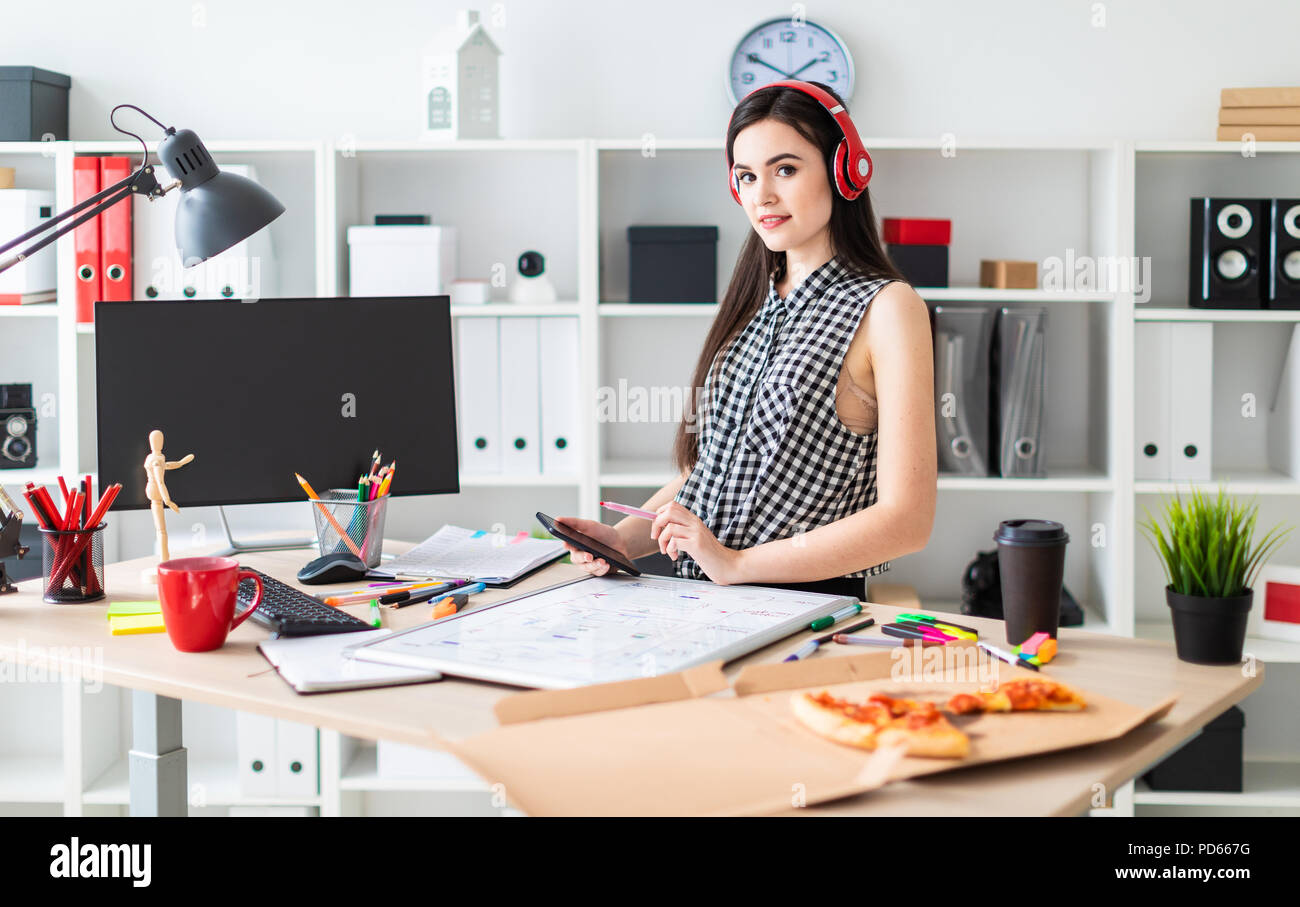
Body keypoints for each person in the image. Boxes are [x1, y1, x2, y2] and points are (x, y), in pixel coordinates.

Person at [559, 80, 936, 599]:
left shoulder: (888, 307)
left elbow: (906, 521)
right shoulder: (754, 300)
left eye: (785, 169)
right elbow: (710, 472)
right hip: (704, 598)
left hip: (799, 605)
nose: (763, 195)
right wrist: (621, 541)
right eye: (746, 176)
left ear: (845, 171)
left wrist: (736, 563)